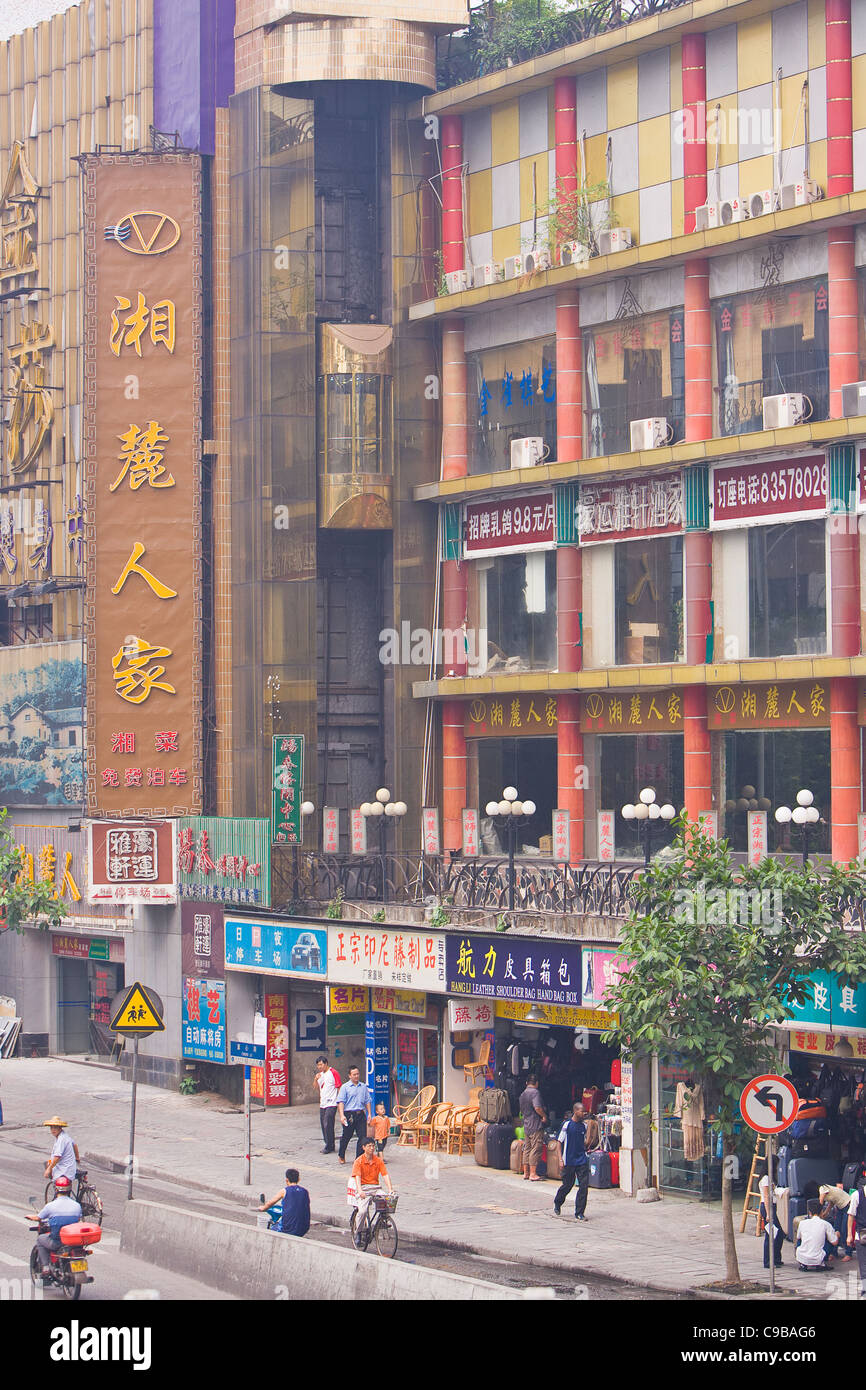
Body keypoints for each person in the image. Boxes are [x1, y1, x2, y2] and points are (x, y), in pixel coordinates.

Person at [29, 1174, 82, 1279]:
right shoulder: (77, 1205)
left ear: (56, 1189)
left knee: (40, 1240)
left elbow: (39, 1218)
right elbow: (78, 1219)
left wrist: (30, 1217)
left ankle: (45, 1267)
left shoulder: (50, 1206)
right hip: (73, 1241)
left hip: (58, 1242)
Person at [349, 1136, 393, 1244]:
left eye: (373, 1146)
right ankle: (358, 1232)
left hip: (375, 1188)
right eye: (369, 1146)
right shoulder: (358, 1161)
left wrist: (390, 1189)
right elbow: (357, 1177)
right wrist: (360, 1191)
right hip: (363, 1188)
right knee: (362, 1211)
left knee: (387, 1200)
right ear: (364, 1147)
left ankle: (383, 1219)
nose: (372, 1148)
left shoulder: (378, 1161)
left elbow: (385, 1175)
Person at [553, 1102, 590, 1221]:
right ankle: (558, 1202)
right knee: (567, 1185)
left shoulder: (584, 1126)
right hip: (569, 1160)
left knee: (583, 1186)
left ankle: (579, 1212)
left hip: (582, 1160)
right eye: (582, 1111)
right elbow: (559, 1142)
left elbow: (584, 1142)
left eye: (585, 1111)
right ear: (575, 1111)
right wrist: (560, 1159)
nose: (584, 1113)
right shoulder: (567, 1125)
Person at [258, 1169, 311, 1237]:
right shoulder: (305, 1191)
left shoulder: (285, 1191)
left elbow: (270, 1203)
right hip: (304, 1228)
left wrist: (262, 1208)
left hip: (288, 1228)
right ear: (299, 1179)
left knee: (272, 1230)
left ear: (286, 1180)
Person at [336, 1066, 373, 1164]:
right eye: (354, 1074)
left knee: (362, 1137)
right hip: (349, 1115)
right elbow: (341, 1102)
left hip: (360, 1114)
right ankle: (341, 1154)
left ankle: (359, 1158)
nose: (356, 1076)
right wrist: (342, 1115)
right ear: (349, 1076)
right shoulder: (345, 1087)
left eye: (357, 1074)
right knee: (347, 1136)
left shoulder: (363, 1086)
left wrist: (369, 1113)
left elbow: (367, 1101)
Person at [795, 1197, 838, 1271]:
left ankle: (803, 1264)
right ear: (821, 1212)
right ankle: (822, 1263)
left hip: (801, 1257)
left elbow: (798, 1238)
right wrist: (837, 1235)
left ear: (809, 1213)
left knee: (800, 1239)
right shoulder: (826, 1224)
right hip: (818, 1257)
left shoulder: (802, 1223)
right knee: (831, 1239)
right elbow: (834, 1242)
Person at [519, 1073, 547, 1181]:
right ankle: (533, 1174)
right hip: (535, 1124)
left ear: (526, 1083)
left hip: (526, 1124)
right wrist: (543, 1116)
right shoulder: (535, 1093)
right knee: (536, 1148)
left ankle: (526, 1173)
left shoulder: (522, 1094)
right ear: (537, 1083)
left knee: (527, 1148)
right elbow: (537, 1107)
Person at [758, 1164, 785, 1269]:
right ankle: (768, 1261)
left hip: (771, 1207)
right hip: (768, 1207)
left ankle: (776, 1259)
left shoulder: (769, 1178)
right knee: (770, 1235)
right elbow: (766, 1195)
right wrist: (769, 1214)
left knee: (778, 1234)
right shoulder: (765, 1179)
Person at [818, 1183, 854, 1260]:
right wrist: (825, 1213)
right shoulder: (829, 1190)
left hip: (847, 1205)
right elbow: (832, 1202)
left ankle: (848, 1253)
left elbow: (820, 1202)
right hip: (840, 1207)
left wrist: (818, 1214)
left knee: (844, 1230)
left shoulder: (822, 1188)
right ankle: (833, 1252)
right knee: (836, 1229)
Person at [314, 1056, 341, 1155]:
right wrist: (315, 1079)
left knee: (328, 1123)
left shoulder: (333, 1072)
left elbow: (339, 1087)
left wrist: (340, 1102)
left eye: (321, 1064)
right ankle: (329, 1144)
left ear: (326, 1064)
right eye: (318, 1065)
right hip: (323, 1103)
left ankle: (329, 1145)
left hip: (332, 1103)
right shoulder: (320, 1075)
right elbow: (316, 1087)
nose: (320, 1067)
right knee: (323, 1124)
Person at [845, 1170, 866, 1293]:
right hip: (862, 1234)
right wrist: (849, 1235)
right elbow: (851, 1215)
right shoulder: (857, 1195)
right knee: (863, 1263)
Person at [43, 1116, 79, 1185]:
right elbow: (74, 1145)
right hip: (68, 1167)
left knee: (50, 1167)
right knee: (48, 1162)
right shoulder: (64, 1136)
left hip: (64, 1170)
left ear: (60, 1128)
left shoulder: (61, 1139)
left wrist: (49, 1169)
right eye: (51, 1128)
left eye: (55, 1128)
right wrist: (77, 1158)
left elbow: (57, 1157)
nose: (53, 1130)